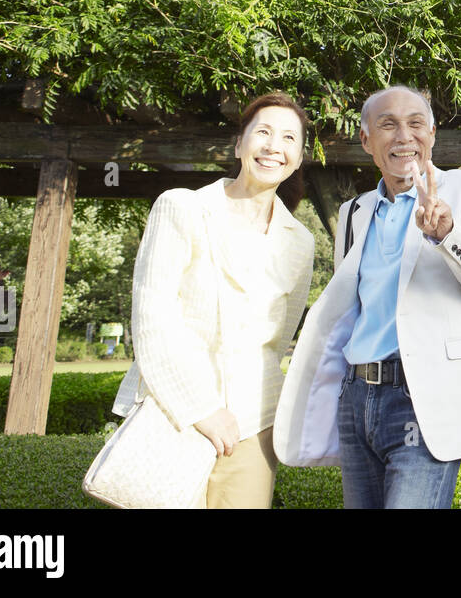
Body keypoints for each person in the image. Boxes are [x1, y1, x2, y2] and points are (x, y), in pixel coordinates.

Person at [273, 85, 461, 508]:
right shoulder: (354, 212)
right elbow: (351, 310)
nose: (404, 136)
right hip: (357, 397)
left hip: (423, 398)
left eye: (415, 123)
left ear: (433, 134)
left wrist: (447, 234)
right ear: (366, 140)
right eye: (388, 125)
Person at [112, 91, 316, 508]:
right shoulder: (181, 208)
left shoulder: (301, 241)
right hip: (175, 415)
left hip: (254, 423)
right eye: (263, 132)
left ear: (297, 158)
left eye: (288, 139)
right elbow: (153, 322)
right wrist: (201, 409)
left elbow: (276, 343)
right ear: (239, 145)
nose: (274, 146)